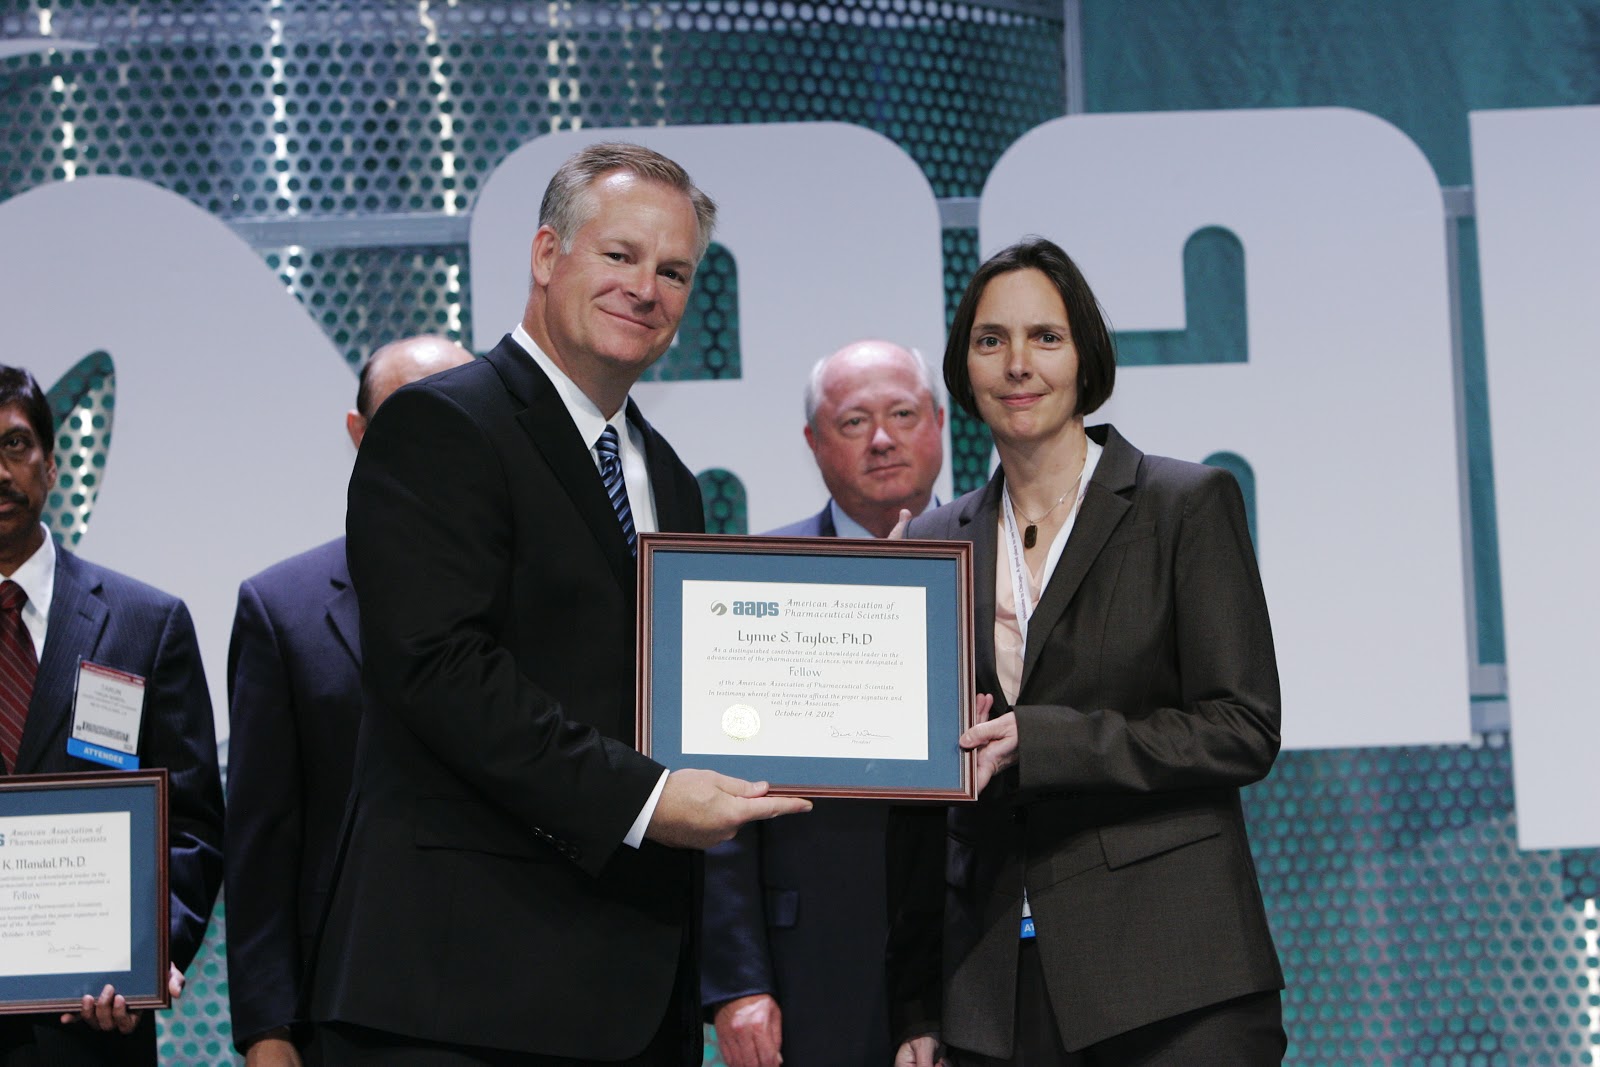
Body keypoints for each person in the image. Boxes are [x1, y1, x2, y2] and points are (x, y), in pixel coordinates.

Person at [307, 142, 811, 1066]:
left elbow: (689, 696)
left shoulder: (670, 479)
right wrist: (649, 798)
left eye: (673, 271)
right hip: (461, 995)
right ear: (547, 256)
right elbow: (439, 667)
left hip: (633, 992)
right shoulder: (442, 425)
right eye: (618, 256)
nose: (646, 288)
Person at [887, 238, 1285, 1066]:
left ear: (1085, 357)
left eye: (1046, 337)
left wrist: (1048, 738)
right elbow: (917, 815)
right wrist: (919, 1003)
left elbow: (1242, 726)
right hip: (995, 991)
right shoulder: (931, 540)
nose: (1017, 364)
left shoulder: (1183, 503)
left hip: (1175, 979)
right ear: (965, 369)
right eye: (991, 340)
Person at [223, 335, 474, 1067]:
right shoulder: (283, 609)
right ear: (359, 435)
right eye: (408, 415)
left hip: (528, 1006)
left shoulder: (546, 595)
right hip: (351, 1013)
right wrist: (268, 1031)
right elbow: (261, 843)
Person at [703, 339, 944, 1067]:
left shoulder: (1003, 569)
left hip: (984, 956)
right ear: (813, 441)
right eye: (853, 422)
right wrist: (737, 980)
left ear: (938, 421)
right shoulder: (758, 581)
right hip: (810, 971)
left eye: (903, 413)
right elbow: (720, 799)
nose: (882, 438)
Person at [0, 365, 223, 1067]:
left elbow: (192, 824)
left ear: (52, 464)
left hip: (91, 1033)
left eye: (13, 444)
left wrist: (145, 953)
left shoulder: (145, 624)